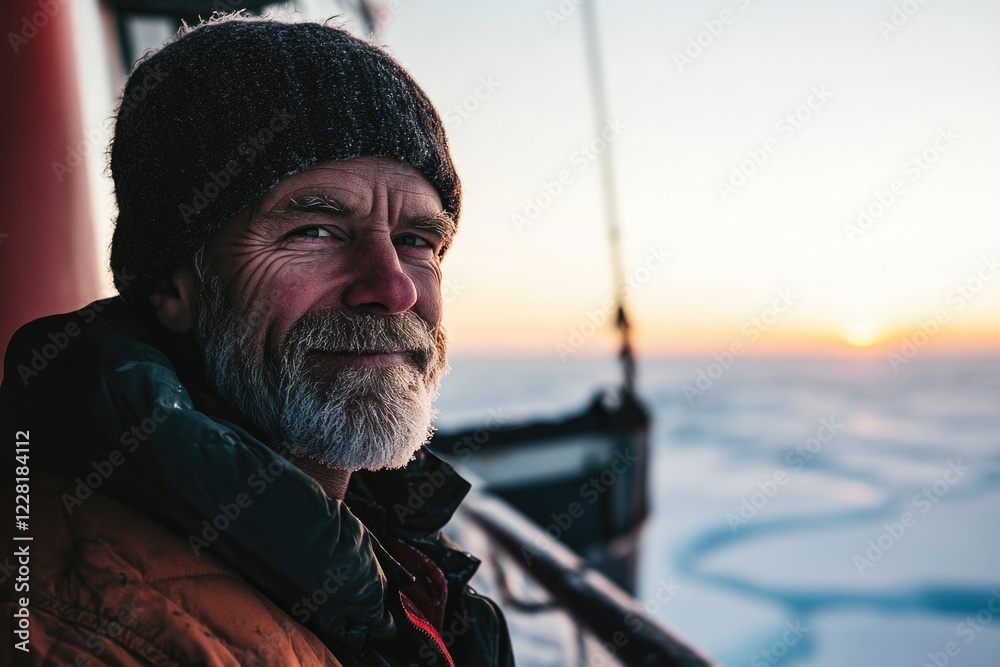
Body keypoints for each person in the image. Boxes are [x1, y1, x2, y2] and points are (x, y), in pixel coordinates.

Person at [0, 14, 514, 667]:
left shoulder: (385, 546)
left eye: (418, 240)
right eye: (316, 230)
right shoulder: (74, 622)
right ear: (173, 285)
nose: (394, 287)